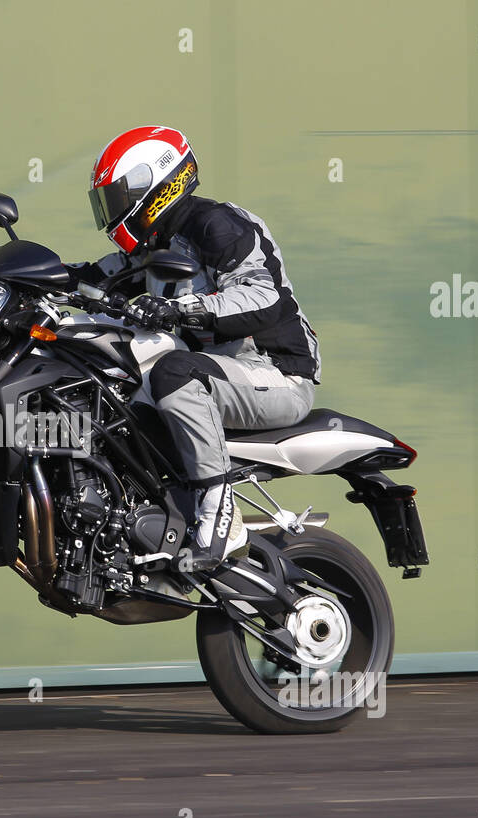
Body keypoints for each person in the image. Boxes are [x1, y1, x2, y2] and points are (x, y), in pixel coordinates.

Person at [70, 125, 321, 567]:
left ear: (153, 185)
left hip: (275, 372)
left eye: (115, 199)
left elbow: (264, 297)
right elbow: (93, 278)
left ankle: (220, 515)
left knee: (173, 372)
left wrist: (182, 309)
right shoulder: (151, 247)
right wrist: (24, 273)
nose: (111, 213)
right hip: (213, 376)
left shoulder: (218, 226)